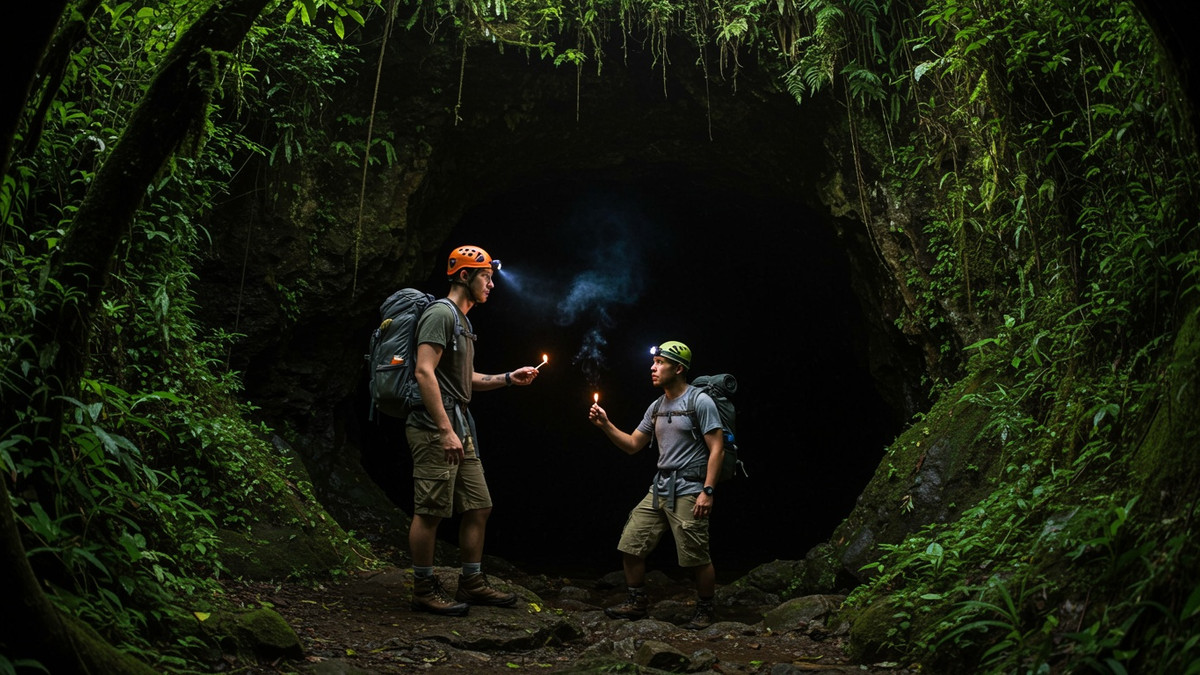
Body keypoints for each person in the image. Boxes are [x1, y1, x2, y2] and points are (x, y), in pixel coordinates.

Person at [406, 244, 539, 616]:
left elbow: (466, 380)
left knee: (479, 505)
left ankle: (472, 581)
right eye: (486, 276)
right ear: (464, 276)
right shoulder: (440, 314)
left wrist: (509, 378)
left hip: (459, 425)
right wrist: (445, 429)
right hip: (436, 426)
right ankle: (422, 588)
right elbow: (423, 371)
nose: (492, 285)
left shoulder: (463, 321)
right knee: (430, 511)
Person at [587, 340, 724, 630]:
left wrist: (708, 490)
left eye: (661, 363)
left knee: (696, 556)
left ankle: (706, 610)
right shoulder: (657, 406)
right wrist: (606, 425)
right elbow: (634, 445)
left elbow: (717, 449)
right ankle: (636, 602)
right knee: (631, 544)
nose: (653, 367)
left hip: (690, 488)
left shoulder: (700, 402)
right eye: (654, 362)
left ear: (679, 368)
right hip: (659, 487)